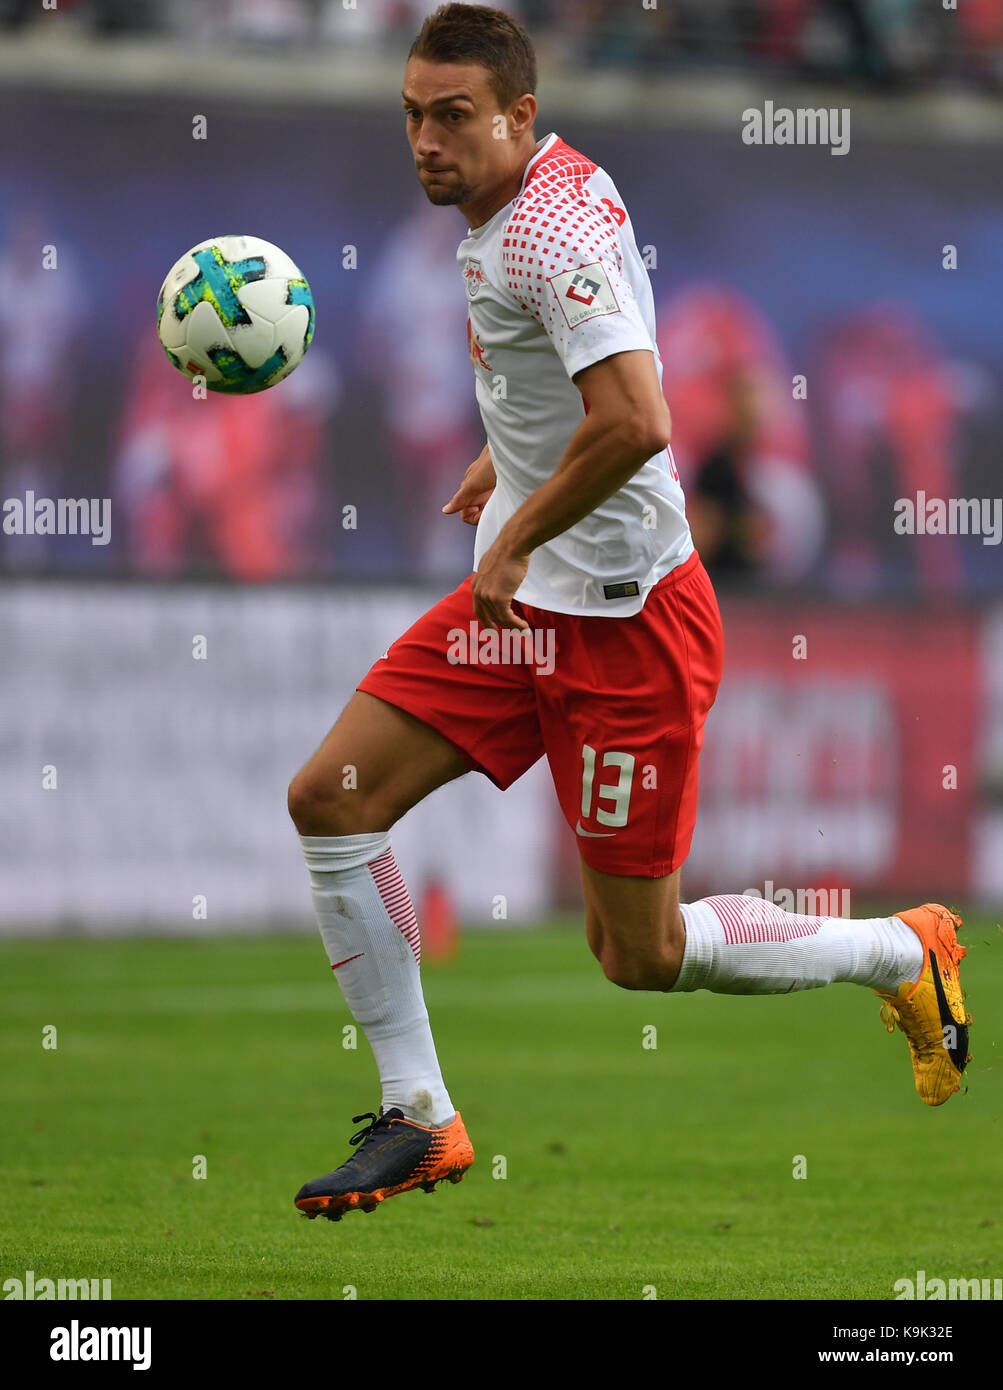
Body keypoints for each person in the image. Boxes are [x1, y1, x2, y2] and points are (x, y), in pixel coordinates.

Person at [287, 3, 971, 1223]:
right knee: (332, 798)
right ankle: (420, 1115)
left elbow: (642, 419)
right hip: (529, 601)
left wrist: (527, 525)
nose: (425, 141)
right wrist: (511, 456)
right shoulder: (518, 203)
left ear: (518, 116)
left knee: (638, 957)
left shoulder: (549, 229)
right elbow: (581, 381)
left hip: (622, 622)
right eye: (411, 115)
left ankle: (899, 951)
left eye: (451, 116)